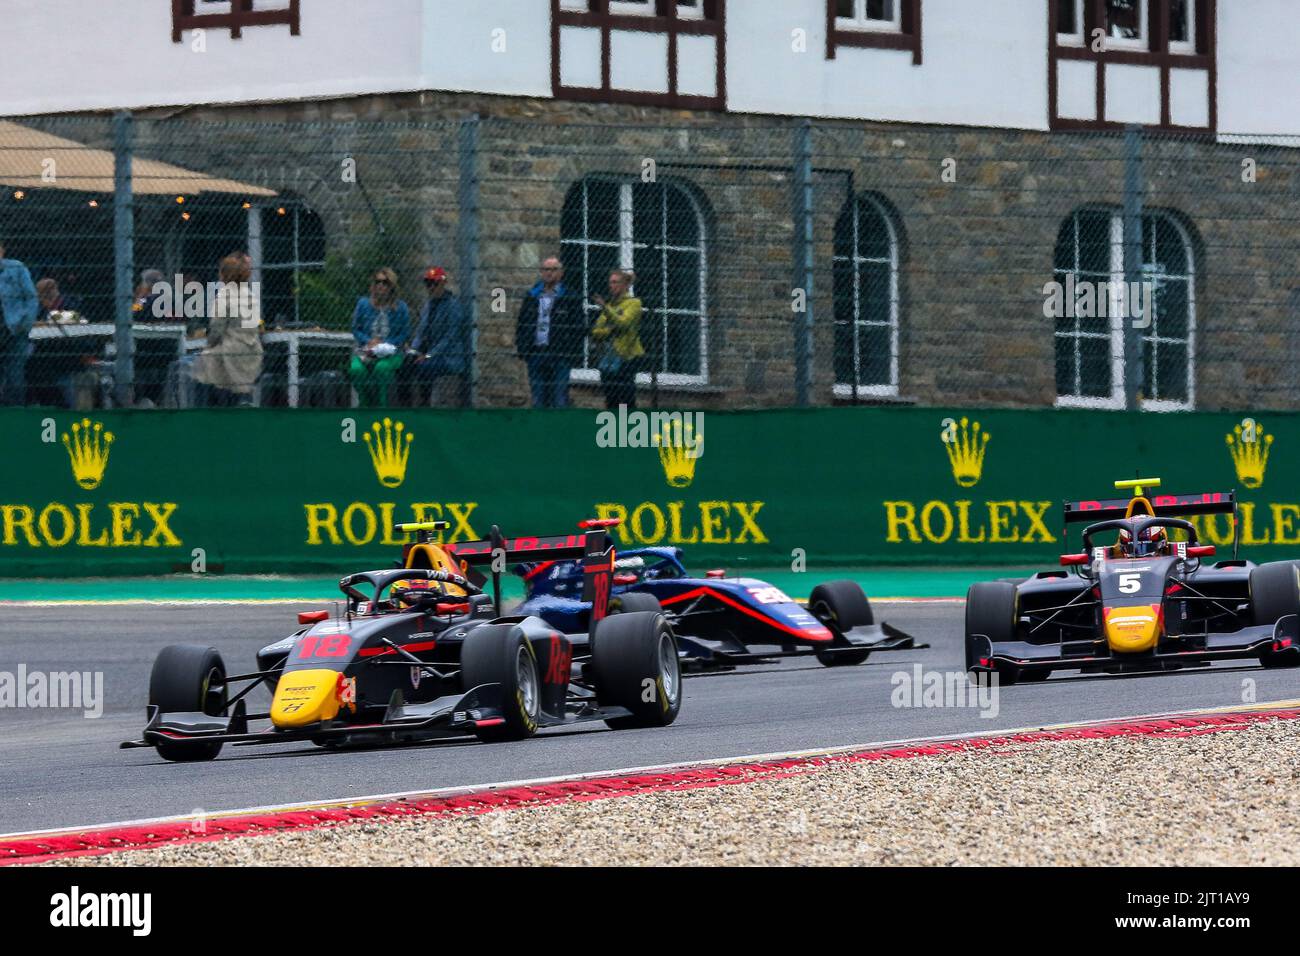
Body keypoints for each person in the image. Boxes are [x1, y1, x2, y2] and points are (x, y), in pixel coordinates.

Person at [192, 254, 264, 406]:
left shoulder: (224, 297)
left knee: (197, 365)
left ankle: (204, 409)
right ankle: (243, 400)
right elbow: (256, 325)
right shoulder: (250, 296)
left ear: (224, 274)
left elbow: (216, 331)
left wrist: (208, 342)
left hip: (230, 350)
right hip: (252, 350)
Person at [515, 256, 585, 408]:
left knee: (559, 399)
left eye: (554, 270)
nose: (549, 273)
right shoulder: (532, 296)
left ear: (561, 273)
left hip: (560, 355)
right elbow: (522, 324)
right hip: (536, 353)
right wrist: (524, 349)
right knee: (538, 399)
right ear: (541, 272)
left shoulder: (570, 297)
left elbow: (578, 327)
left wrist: (571, 351)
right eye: (546, 269)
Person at [348, 266, 411, 407]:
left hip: (391, 352)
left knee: (382, 369)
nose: (381, 285)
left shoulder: (401, 307)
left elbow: (405, 333)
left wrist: (384, 344)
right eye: (378, 282)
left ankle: (383, 408)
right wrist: (369, 341)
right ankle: (365, 405)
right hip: (366, 350)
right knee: (356, 370)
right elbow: (355, 329)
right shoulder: (363, 304)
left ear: (392, 286)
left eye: (385, 282)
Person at [407, 266, 469, 407]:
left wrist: (429, 355)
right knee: (405, 365)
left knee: (424, 367)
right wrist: (413, 351)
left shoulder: (453, 306)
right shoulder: (428, 305)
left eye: (434, 283)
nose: (431, 287)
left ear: (442, 283)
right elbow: (421, 332)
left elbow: (450, 337)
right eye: (428, 283)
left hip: (448, 357)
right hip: (429, 353)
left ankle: (425, 404)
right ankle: (406, 404)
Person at [589, 269, 645, 410]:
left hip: (626, 356)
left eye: (615, 282)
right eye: (610, 282)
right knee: (610, 397)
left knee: (625, 396)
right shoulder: (611, 306)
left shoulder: (634, 303)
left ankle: (628, 425)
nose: (611, 286)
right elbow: (596, 331)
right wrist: (610, 329)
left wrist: (606, 309)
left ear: (625, 285)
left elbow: (624, 323)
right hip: (608, 357)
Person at [0, 241, 38, 405]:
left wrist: (26, 323)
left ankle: (16, 411)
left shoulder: (17, 268)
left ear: (2, 251)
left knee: (15, 375)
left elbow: (31, 297)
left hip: (14, 329)